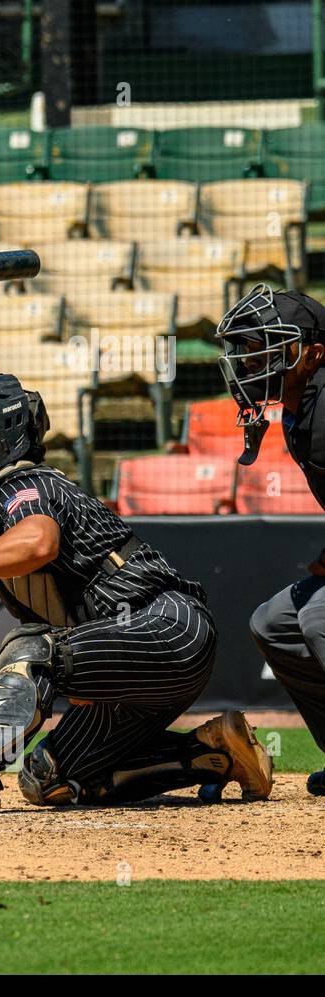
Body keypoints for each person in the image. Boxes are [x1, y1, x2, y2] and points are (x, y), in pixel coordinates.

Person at [0, 373, 271, 813]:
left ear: (0, 438)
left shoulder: (23, 483)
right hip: (146, 654)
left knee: (30, 650)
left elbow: (39, 543)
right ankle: (218, 752)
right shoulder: (2, 505)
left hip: (163, 627)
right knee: (50, 778)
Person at [214, 283, 325, 798]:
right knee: (274, 622)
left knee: (318, 618)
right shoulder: (300, 408)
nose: (252, 359)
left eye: (267, 347)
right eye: (249, 348)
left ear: (314, 354)